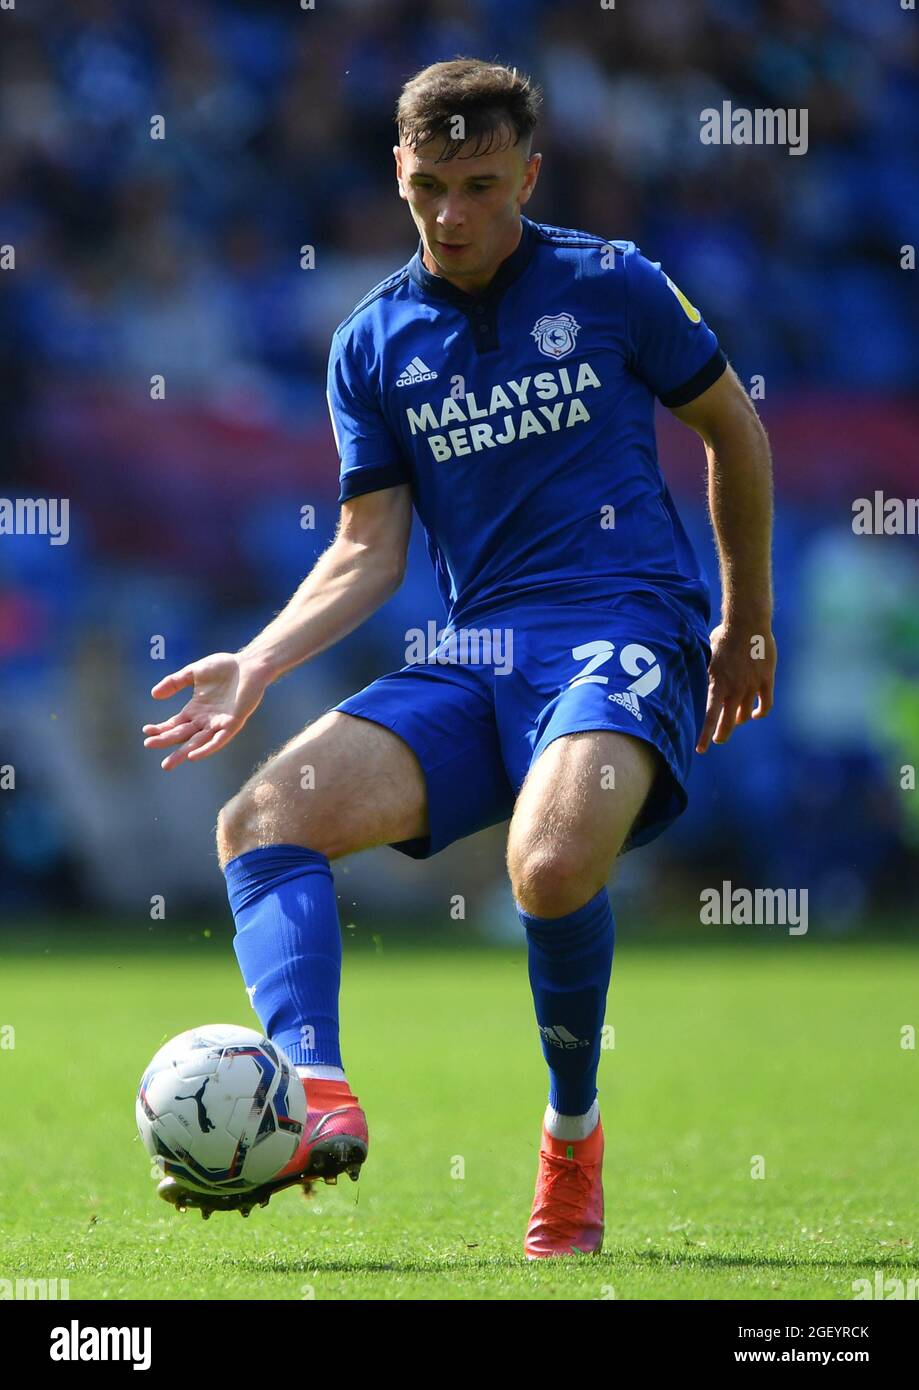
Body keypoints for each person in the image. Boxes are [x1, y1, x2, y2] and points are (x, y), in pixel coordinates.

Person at [142, 57, 776, 1257]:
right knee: (261, 820)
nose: (451, 214)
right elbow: (366, 549)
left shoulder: (611, 284)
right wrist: (257, 661)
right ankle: (317, 1093)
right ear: (397, 171)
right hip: (479, 653)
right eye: (428, 185)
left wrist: (743, 623)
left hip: (625, 627)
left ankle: (570, 1139)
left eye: (480, 185)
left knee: (543, 868)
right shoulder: (373, 342)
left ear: (528, 174)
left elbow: (732, 431)